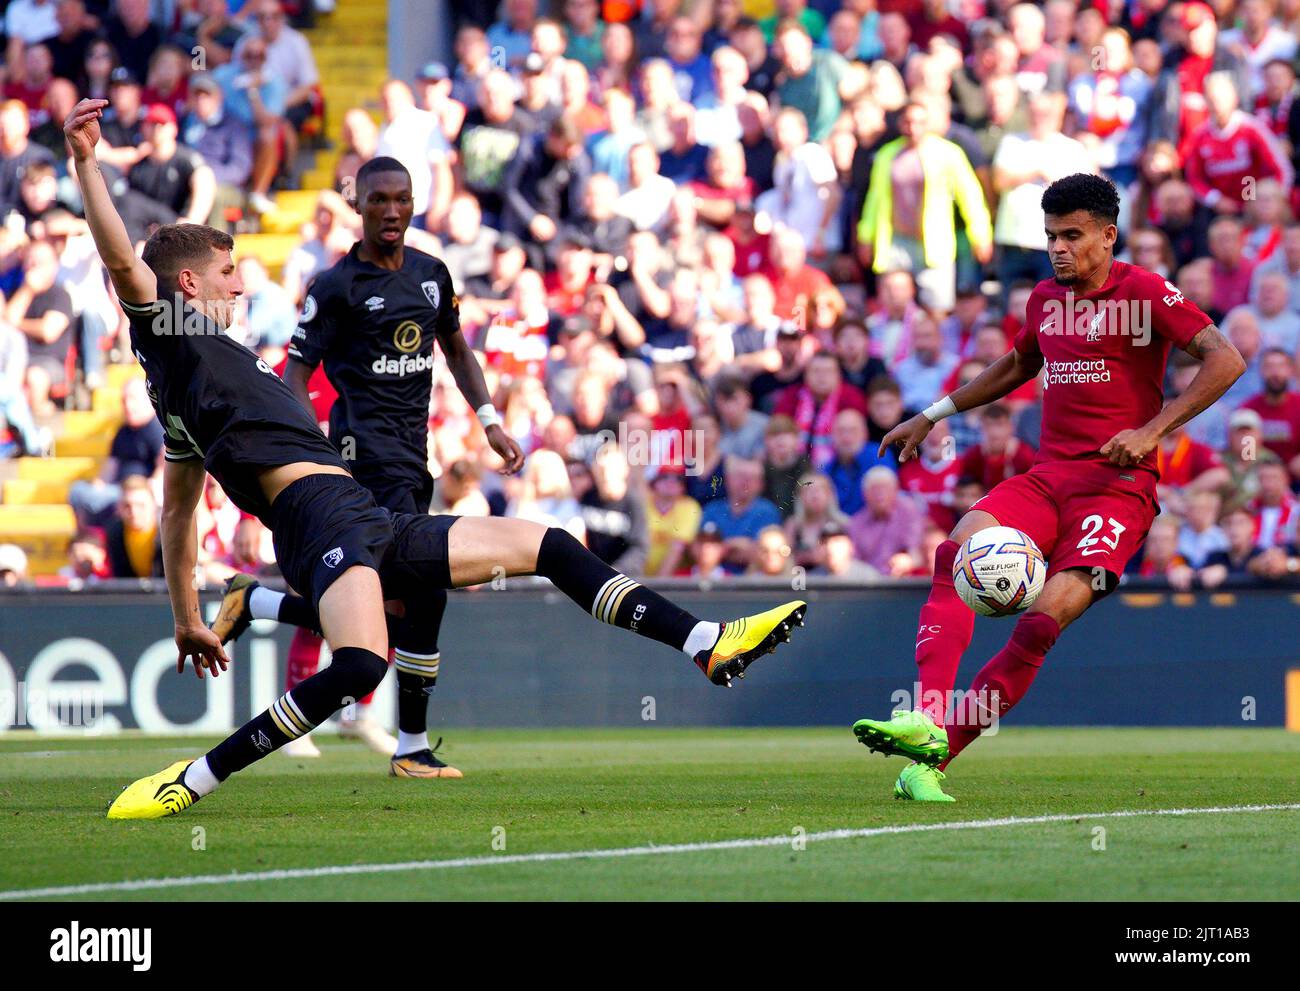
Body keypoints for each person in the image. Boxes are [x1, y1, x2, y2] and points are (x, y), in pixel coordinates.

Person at [61, 96, 806, 822]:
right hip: (317, 517)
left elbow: (179, 511)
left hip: (363, 508)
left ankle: (704, 641)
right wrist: (87, 163)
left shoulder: (203, 374)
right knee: (360, 665)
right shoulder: (175, 335)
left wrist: (188, 615)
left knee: (548, 543)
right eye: (228, 274)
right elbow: (127, 265)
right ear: (186, 285)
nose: (241, 283)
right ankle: (194, 777)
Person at [854, 173, 1244, 801]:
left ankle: (935, 760)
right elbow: (1018, 364)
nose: (1058, 248)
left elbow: (1225, 356)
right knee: (955, 551)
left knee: (1042, 621)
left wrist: (1152, 431)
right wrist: (932, 415)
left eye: (1072, 236)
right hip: (1047, 476)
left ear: (1107, 236)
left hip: (1117, 489)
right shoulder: (1044, 299)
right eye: (1049, 237)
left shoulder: (1143, 292)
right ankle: (925, 717)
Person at [281, 156, 524, 772]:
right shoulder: (335, 286)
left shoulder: (431, 275)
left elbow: (458, 348)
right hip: (361, 463)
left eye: (401, 200)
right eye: (378, 200)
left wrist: (490, 421)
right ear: (358, 206)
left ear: (414, 204)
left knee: (389, 595)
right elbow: (296, 374)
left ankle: (258, 608)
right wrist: (303, 449)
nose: (391, 211)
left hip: (415, 465)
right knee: (419, 591)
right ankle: (403, 740)